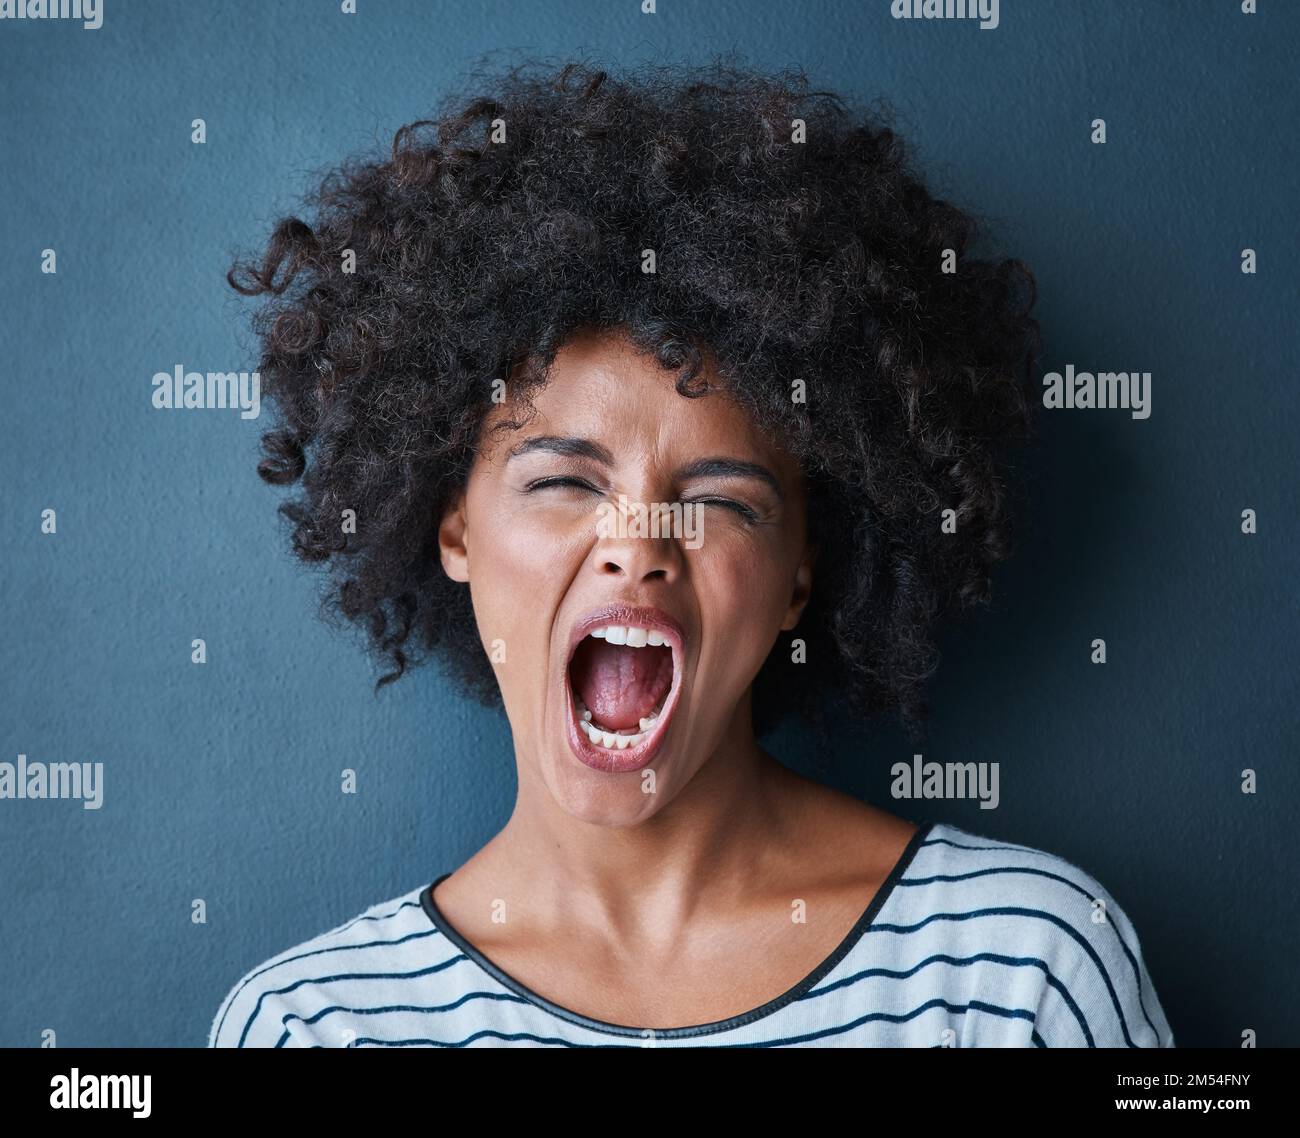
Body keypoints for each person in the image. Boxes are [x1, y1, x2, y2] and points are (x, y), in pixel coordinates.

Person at [208, 58, 1173, 1048]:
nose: (638, 544)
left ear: (802, 573)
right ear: (451, 527)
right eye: (564, 483)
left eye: (717, 500)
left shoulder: (1021, 969)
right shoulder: (313, 1023)